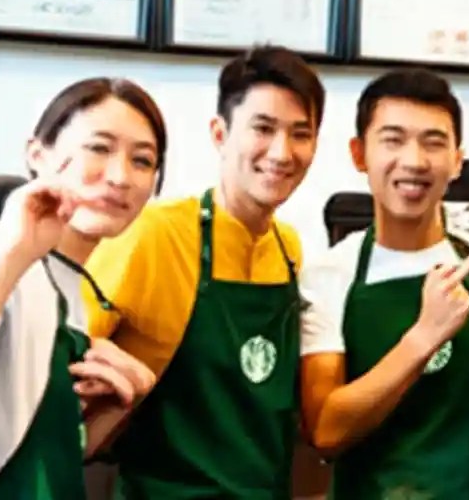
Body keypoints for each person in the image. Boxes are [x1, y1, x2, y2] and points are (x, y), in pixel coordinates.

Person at [84, 45, 325, 497]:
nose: (282, 152)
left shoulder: (288, 247)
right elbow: (59, 358)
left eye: (301, 134)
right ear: (220, 133)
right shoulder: (154, 232)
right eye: (263, 128)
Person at [299, 69, 469, 497]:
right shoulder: (329, 273)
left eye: (433, 142)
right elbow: (327, 430)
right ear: (359, 154)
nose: (414, 161)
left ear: (457, 160)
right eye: (393, 139)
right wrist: (424, 336)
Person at [0, 78, 165, 496]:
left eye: (142, 161)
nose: (121, 176)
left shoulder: (72, 290)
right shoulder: (9, 258)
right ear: (38, 154)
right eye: (99, 148)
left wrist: (116, 406)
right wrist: (12, 255)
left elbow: (51, 447)